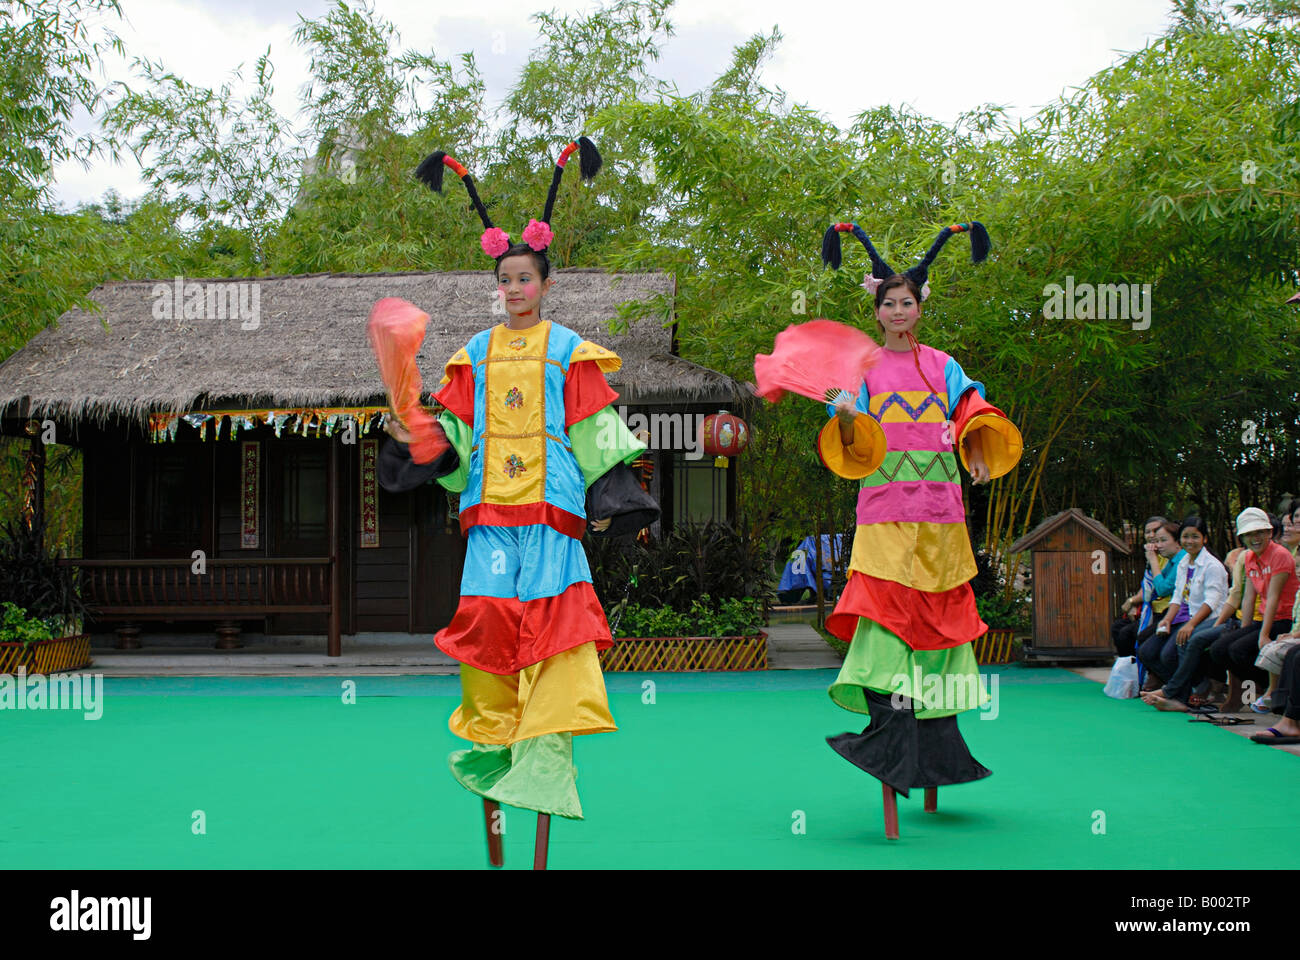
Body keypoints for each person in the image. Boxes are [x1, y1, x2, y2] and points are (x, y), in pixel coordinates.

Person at [377, 139, 657, 868]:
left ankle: (539, 817)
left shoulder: (570, 352)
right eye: (504, 280)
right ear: (496, 284)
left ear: (546, 281)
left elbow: (598, 430)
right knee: (492, 662)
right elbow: (454, 432)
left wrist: (621, 500)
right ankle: (500, 826)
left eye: (525, 278)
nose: (515, 288)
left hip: (554, 531)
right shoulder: (472, 352)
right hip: (491, 535)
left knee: (555, 662)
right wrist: (416, 436)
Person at [815, 220, 1022, 837]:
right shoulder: (863, 365)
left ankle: (935, 752)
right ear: (875, 311)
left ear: (919, 308)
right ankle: (886, 738)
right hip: (882, 516)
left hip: (941, 515)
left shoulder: (943, 364)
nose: (898, 310)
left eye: (907, 302)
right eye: (888, 303)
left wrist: (979, 450)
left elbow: (972, 411)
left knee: (937, 627)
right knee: (887, 622)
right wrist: (848, 413)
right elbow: (846, 443)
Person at [1206, 507, 1296, 712]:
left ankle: (1276, 689)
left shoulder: (1280, 555)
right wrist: (1245, 629)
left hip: (1284, 619)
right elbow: (1249, 596)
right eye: (1248, 534)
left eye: (1259, 532)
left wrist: (1263, 634)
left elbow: (1273, 597)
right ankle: (1264, 686)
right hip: (1263, 618)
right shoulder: (1248, 557)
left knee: (1239, 649)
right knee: (1220, 649)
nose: (1254, 538)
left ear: (1269, 533)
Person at [1138, 517, 1227, 710]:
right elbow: (1178, 596)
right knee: (1148, 650)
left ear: (1204, 539)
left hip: (1213, 619)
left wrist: (1191, 624)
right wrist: (1167, 620)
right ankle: (1183, 693)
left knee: (1176, 647)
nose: (1189, 541)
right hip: (1186, 618)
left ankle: (1175, 694)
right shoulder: (1184, 562)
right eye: (1185, 536)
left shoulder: (1212, 566)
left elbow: (1211, 602)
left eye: (1195, 536)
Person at [1134, 520, 1186, 686]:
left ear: (1177, 542)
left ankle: (1179, 685)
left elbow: (1163, 588)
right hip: (1170, 614)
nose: (1159, 545)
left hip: (1183, 615)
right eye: (1157, 541)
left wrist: (1154, 561)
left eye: (1163, 540)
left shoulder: (1182, 560)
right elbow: (1153, 588)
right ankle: (1167, 682)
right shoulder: (1171, 561)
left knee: (1154, 651)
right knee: (1142, 641)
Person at [1113, 516, 1171, 657]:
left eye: (1155, 531)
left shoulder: (1168, 556)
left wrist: (1133, 601)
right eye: (1148, 532)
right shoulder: (1152, 555)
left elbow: (1160, 587)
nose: (1151, 535)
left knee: (1130, 633)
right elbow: (1146, 587)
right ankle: (1129, 670)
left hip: (1165, 610)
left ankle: (1146, 673)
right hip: (1150, 608)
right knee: (1117, 627)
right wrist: (1134, 602)